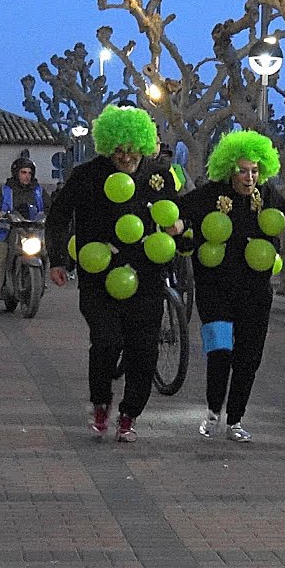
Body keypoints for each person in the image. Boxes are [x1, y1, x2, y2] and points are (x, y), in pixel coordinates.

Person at [45, 105, 181, 443]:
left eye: (131, 149)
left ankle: (129, 414)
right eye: (118, 150)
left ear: (143, 144)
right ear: (108, 146)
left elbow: (176, 213)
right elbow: (59, 216)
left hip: (146, 275)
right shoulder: (86, 174)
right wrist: (58, 259)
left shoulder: (160, 176)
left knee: (144, 351)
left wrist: (181, 228)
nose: (125, 156)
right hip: (98, 273)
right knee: (105, 341)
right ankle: (101, 402)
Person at [179, 130, 285, 442]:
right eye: (243, 170)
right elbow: (180, 209)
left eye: (255, 170)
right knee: (220, 352)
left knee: (249, 357)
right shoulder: (209, 195)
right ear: (229, 168)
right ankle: (212, 412)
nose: (249, 177)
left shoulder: (268, 196)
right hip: (214, 288)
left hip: (255, 292)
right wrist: (177, 225)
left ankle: (235, 419)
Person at [0, 156, 45, 313]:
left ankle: (39, 283)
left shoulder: (38, 191)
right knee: (1, 259)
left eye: (29, 173)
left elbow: (49, 206)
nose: (27, 176)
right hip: (7, 233)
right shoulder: (5, 190)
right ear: (16, 173)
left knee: (45, 252)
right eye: (23, 172)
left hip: (32, 233)